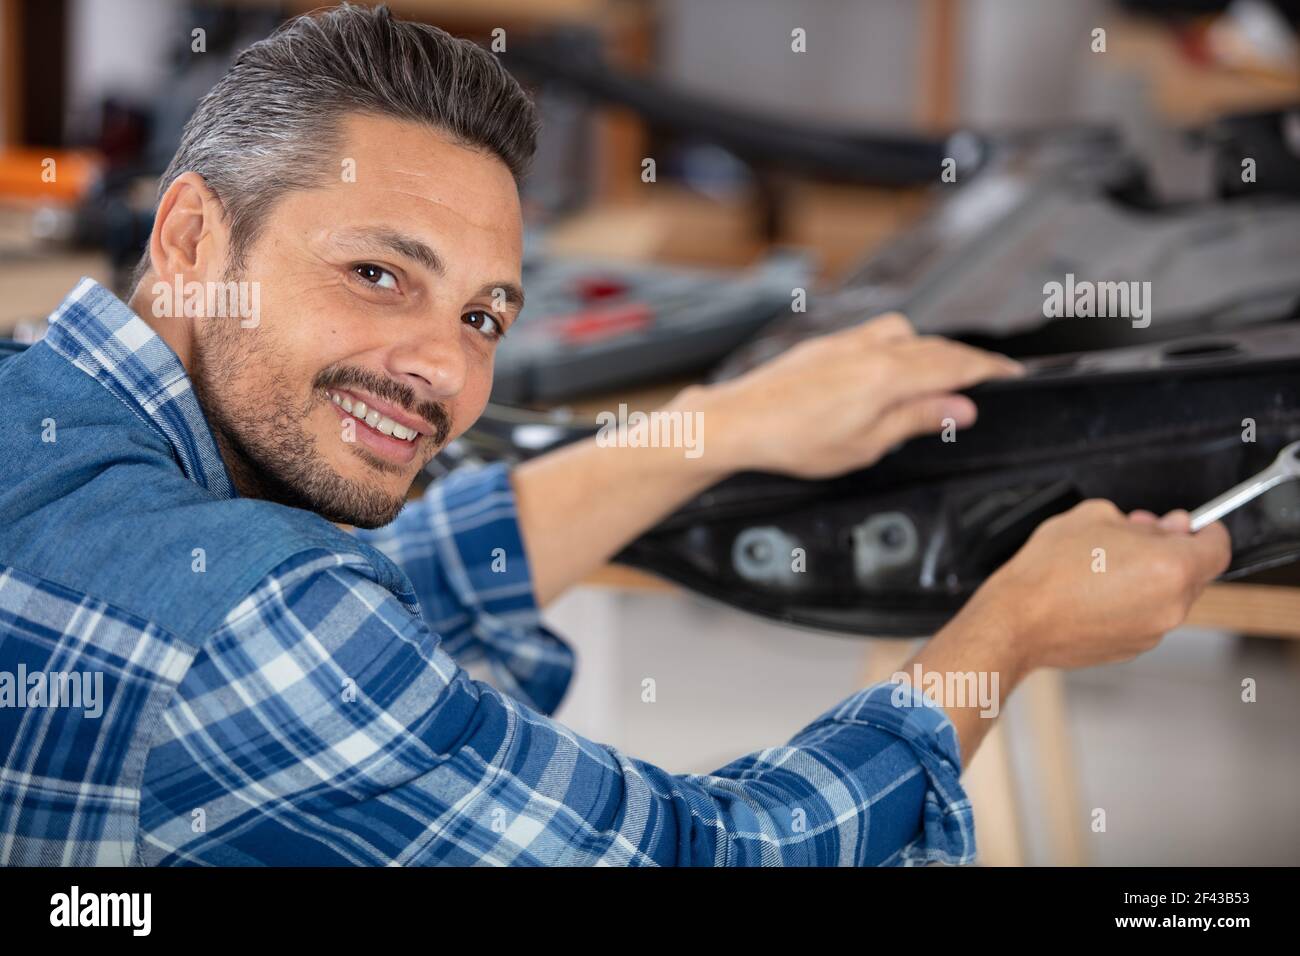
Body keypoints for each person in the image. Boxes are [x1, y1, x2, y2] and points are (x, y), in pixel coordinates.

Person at [0, 4, 1230, 866]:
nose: (442, 368)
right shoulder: (263, 630)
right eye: (378, 272)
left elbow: (340, 620)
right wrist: (1008, 632)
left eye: (483, 314)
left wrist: (716, 428)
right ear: (188, 238)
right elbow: (721, 855)